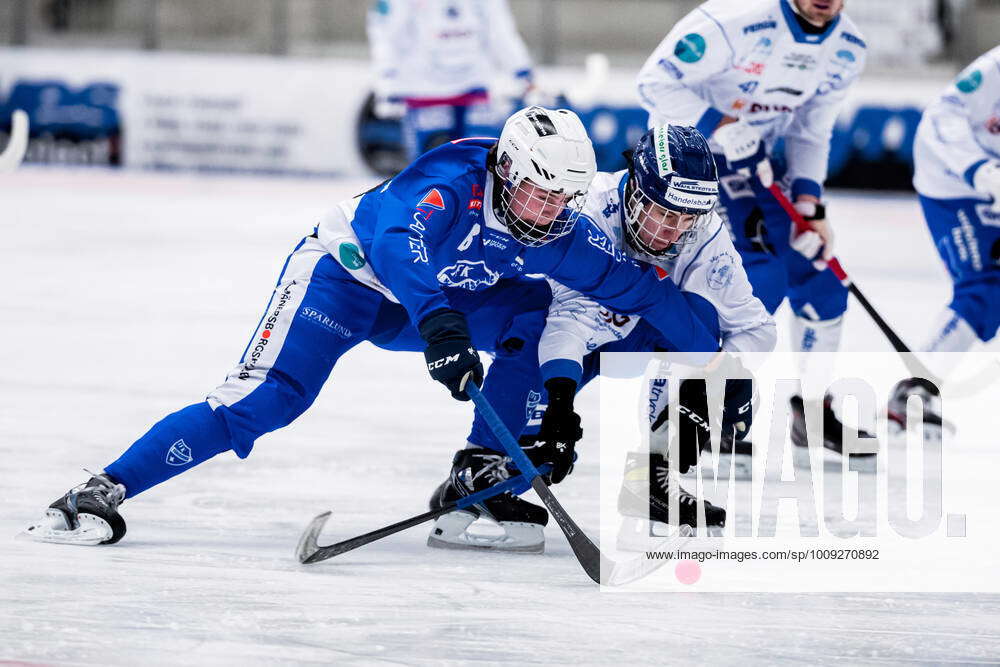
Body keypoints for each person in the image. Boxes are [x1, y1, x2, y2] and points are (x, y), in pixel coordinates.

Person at [25, 107, 724, 547]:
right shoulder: (449, 183)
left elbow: (634, 288)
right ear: (506, 170)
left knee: (535, 309)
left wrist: (700, 334)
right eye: (536, 192)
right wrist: (444, 328)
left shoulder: (559, 229)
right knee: (268, 401)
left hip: (423, 307)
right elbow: (395, 245)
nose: (545, 212)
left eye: (561, 199)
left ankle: (481, 461)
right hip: (343, 279)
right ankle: (105, 487)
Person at [425, 125, 776, 553]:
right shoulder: (587, 211)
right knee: (538, 445)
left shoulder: (703, 233)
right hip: (561, 338)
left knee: (700, 321)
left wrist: (723, 375)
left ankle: (654, 475)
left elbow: (755, 328)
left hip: (631, 335)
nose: (675, 231)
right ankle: (477, 467)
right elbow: (567, 319)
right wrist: (560, 402)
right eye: (665, 214)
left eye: (687, 218)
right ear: (636, 192)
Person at [635, 0, 874, 464]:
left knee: (823, 285)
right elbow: (653, 83)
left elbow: (811, 129)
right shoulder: (733, 21)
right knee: (758, 277)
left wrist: (810, 205)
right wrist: (719, 125)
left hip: (757, 169)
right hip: (688, 164)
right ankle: (699, 411)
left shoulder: (847, 48)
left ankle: (812, 413)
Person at [888, 45, 1000, 430]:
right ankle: (916, 388)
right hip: (953, 180)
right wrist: (981, 171)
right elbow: (942, 116)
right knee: (984, 286)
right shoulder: (995, 68)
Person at [366, 0, 534, 161]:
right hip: (423, 93)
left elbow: (499, 30)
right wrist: (387, 83)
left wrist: (521, 69)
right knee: (429, 169)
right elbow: (386, 34)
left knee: (478, 164)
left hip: (473, 89)